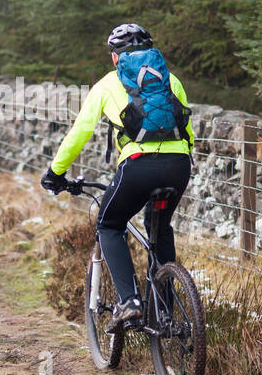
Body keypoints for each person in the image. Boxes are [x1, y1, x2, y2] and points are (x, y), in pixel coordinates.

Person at [41, 23, 194, 331]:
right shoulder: (170, 80)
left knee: (109, 224)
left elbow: (80, 132)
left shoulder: (107, 84)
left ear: (114, 57)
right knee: (160, 229)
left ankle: (129, 302)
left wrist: (56, 172)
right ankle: (165, 313)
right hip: (179, 165)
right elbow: (187, 129)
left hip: (138, 165)